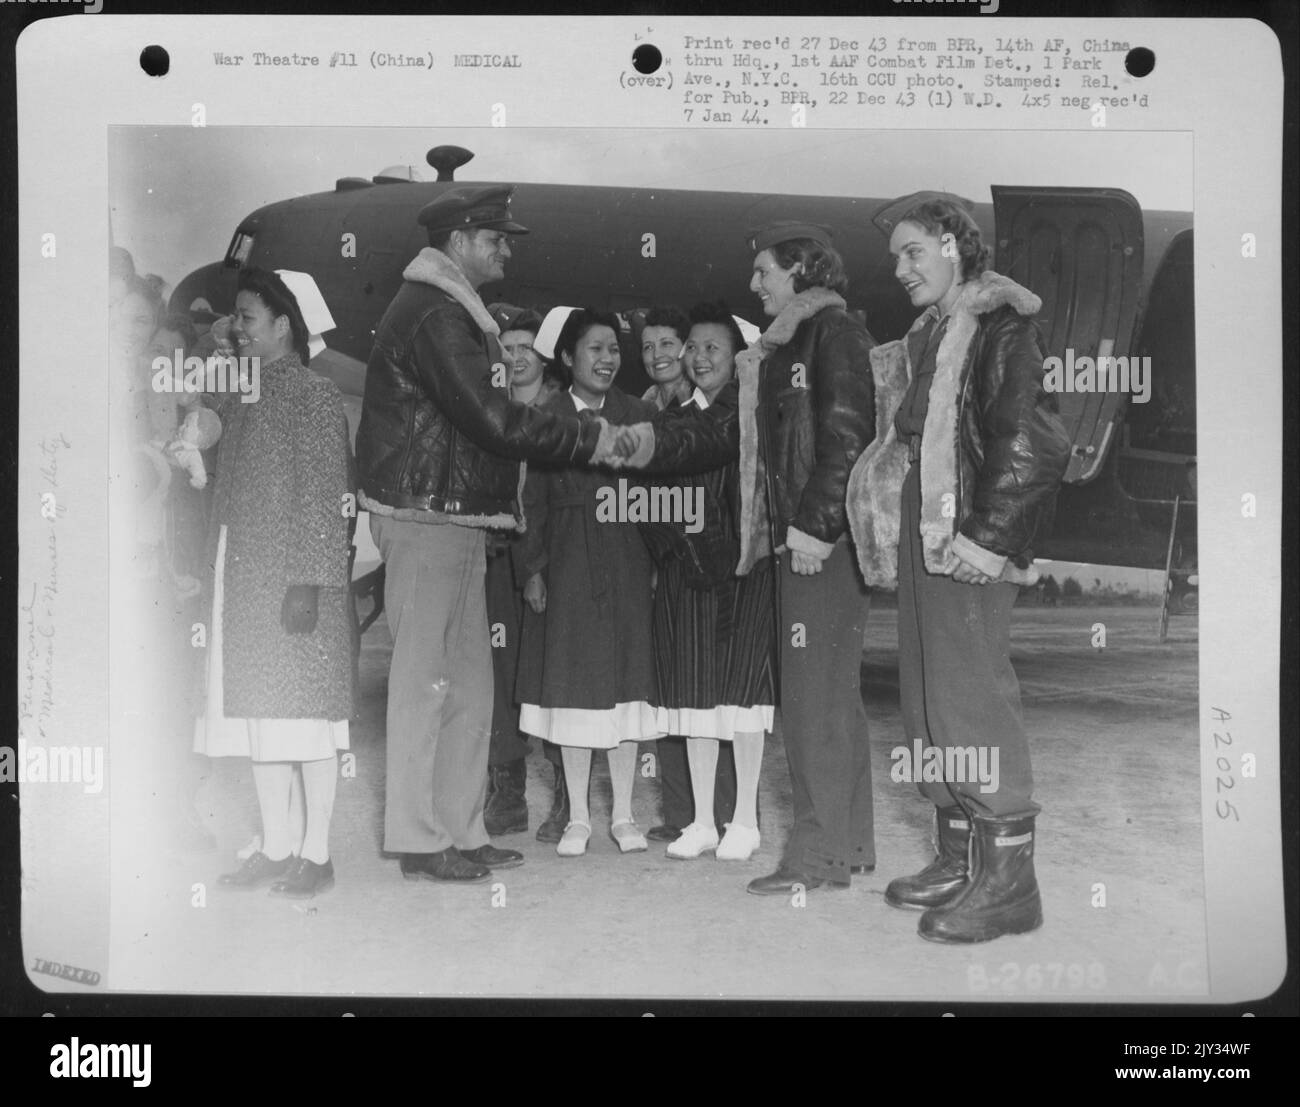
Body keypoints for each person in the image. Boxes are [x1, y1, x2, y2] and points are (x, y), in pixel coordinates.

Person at [354, 186, 618, 885]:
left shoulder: (451, 313)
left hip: (455, 516)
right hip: (427, 516)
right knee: (425, 684)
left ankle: (460, 827)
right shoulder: (436, 315)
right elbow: (493, 418)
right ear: (462, 240)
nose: (506, 248)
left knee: (469, 686)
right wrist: (593, 437)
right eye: (498, 237)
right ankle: (417, 836)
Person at [615, 222, 878, 894]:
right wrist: (636, 444)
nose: (753, 284)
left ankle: (818, 854)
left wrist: (814, 530)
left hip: (819, 544)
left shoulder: (831, 333)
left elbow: (848, 434)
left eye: (763, 271)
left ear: (801, 270)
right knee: (832, 698)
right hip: (809, 540)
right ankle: (849, 843)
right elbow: (715, 434)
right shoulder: (785, 346)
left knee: (814, 700)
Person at [846, 196, 1070, 942]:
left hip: (967, 530)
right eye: (897, 259)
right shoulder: (935, 333)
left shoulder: (1003, 326)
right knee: (925, 695)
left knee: (970, 696)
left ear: (951, 244)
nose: (902, 269)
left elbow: (1035, 442)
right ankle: (957, 852)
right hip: (923, 524)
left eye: (913, 252)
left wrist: (986, 539)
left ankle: (1009, 882)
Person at [196, 268, 355, 899]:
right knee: (263, 718)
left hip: (292, 577)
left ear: (284, 325)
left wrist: (310, 581)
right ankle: (278, 844)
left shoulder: (313, 394)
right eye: (235, 317)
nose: (238, 328)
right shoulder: (246, 389)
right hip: (244, 575)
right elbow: (210, 422)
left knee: (306, 719)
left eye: (249, 318)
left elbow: (324, 494)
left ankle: (316, 856)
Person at [516, 308, 661, 857]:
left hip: (627, 556)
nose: (606, 359)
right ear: (569, 357)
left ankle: (624, 815)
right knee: (574, 693)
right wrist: (531, 568)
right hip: (568, 559)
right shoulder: (545, 416)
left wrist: (656, 565)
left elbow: (659, 493)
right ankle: (577, 816)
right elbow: (528, 500)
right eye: (594, 349)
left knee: (624, 690)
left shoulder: (639, 412)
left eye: (613, 350)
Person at [647, 302, 776, 862]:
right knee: (696, 700)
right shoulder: (670, 419)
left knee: (743, 699)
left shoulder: (751, 416)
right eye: (692, 347)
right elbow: (646, 500)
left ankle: (744, 819)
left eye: (712, 348)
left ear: (738, 358)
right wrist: (671, 547)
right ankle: (701, 820)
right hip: (687, 573)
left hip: (742, 573)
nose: (698, 358)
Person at [481, 303, 570, 841]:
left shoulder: (561, 412)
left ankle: (566, 792)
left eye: (524, 348)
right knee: (499, 671)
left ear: (544, 356)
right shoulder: (485, 409)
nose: (515, 357)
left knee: (552, 672)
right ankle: (508, 790)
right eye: (506, 348)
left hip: (551, 557)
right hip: (495, 555)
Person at [639, 306, 694, 411]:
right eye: (648, 347)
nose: (656, 355)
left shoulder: (706, 399)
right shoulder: (645, 403)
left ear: (686, 349)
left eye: (666, 344)